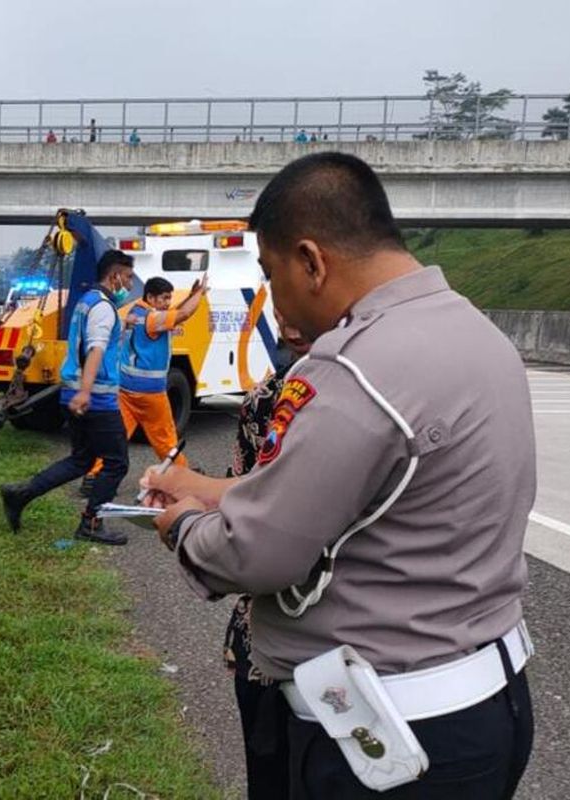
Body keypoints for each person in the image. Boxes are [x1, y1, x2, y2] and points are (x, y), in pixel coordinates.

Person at [143, 152, 535, 799]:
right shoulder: (477, 336)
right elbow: (357, 494)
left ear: (312, 261)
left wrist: (182, 524)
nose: (273, 298)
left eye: (270, 274)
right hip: (489, 703)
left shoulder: (354, 368)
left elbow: (253, 554)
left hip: (392, 736)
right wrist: (207, 488)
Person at [221, 310, 312, 800]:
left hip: (267, 634)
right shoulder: (368, 397)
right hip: (339, 651)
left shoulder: (265, 398)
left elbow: (237, 505)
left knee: (270, 775)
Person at [0, 250, 137, 546]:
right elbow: (96, 350)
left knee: (82, 459)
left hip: (71, 393)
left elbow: (92, 341)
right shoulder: (103, 308)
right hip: (95, 398)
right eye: (127, 277)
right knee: (116, 463)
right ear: (114, 276)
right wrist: (86, 391)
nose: (128, 284)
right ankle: (91, 523)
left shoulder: (86, 302)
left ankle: (20, 494)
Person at [79, 276, 203, 494]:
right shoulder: (152, 320)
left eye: (169, 299)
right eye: (164, 298)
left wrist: (191, 296)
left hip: (126, 389)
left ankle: (93, 476)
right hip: (150, 393)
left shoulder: (136, 311)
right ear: (151, 297)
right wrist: (201, 294)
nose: (167, 302)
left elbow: (171, 312)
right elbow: (182, 315)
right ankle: (184, 476)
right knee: (165, 438)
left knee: (116, 437)